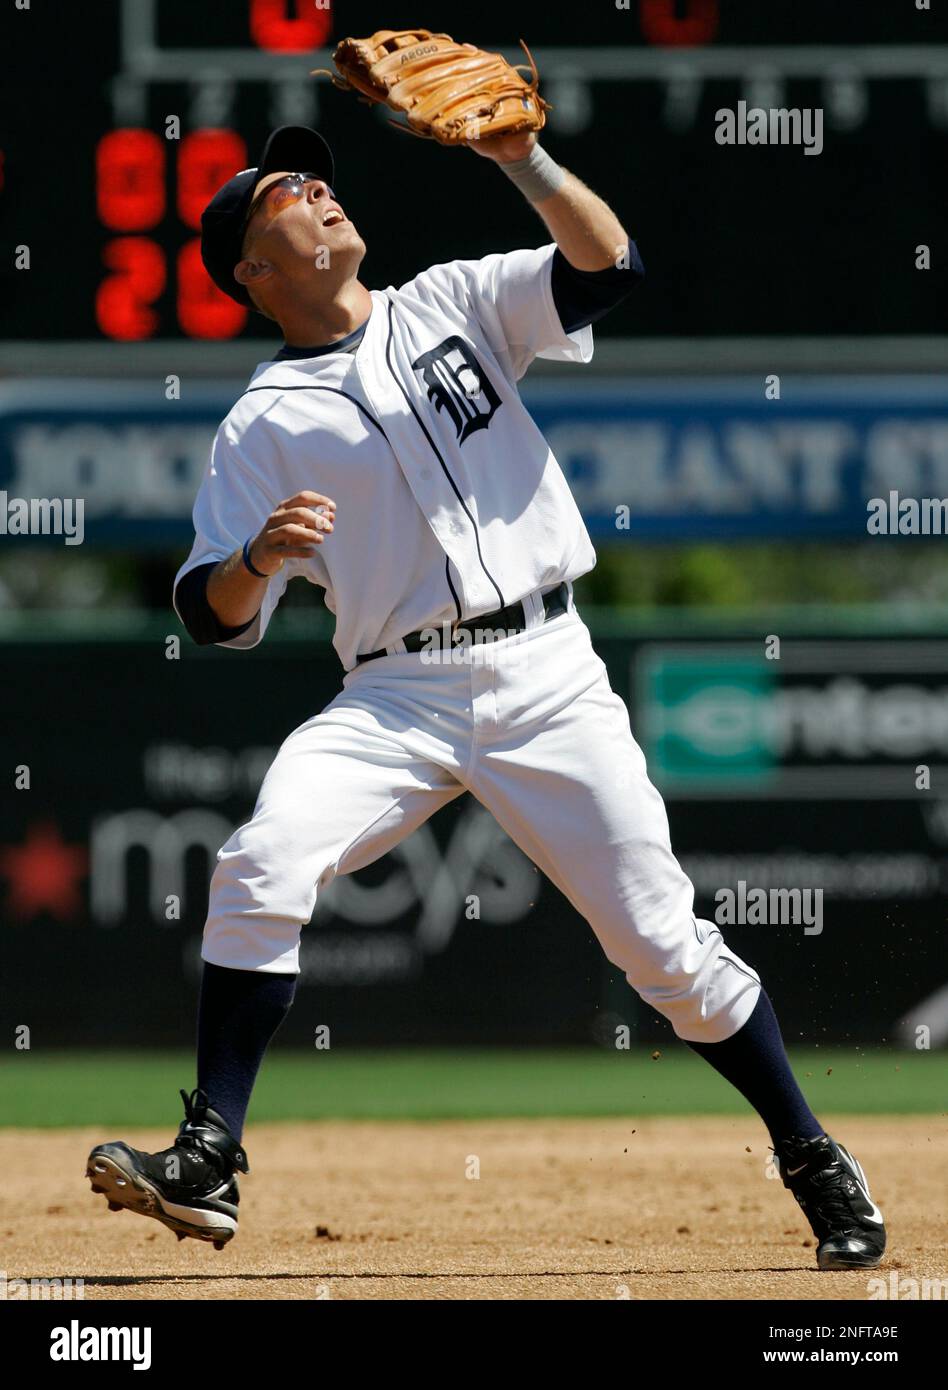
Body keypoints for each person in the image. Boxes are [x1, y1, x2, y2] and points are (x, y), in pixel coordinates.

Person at [86, 125, 885, 1270]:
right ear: (253, 272)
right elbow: (207, 612)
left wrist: (524, 158)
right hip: (394, 691)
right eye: (283, 195)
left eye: (318, 176)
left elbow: (608, 266)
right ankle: (209, 1155)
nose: (317, 191)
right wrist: (257, 560)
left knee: (665, 949)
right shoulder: (259, 424)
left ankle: (811, 1153)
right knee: (259, 863)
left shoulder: (454, 298)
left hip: (548, 672)